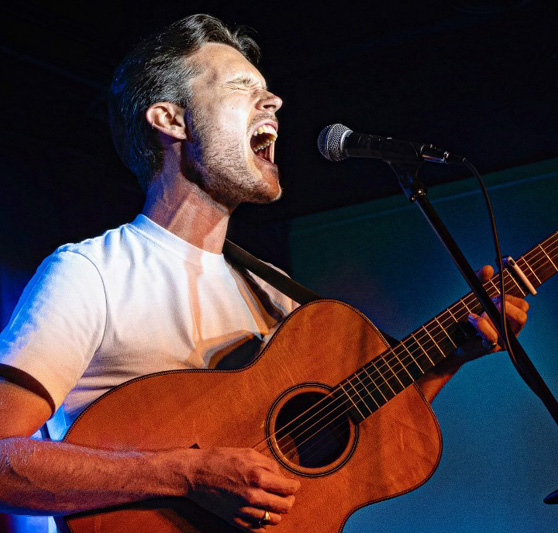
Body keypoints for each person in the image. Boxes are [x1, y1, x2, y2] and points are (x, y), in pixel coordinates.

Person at [0, 14, 529, 532]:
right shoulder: (91, 272)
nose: (273, 101)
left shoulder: (274, 292)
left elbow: (365, 440)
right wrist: (186, 474)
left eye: (268, 91)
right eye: (241, 87)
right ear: (170, 120)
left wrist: (449, 357)